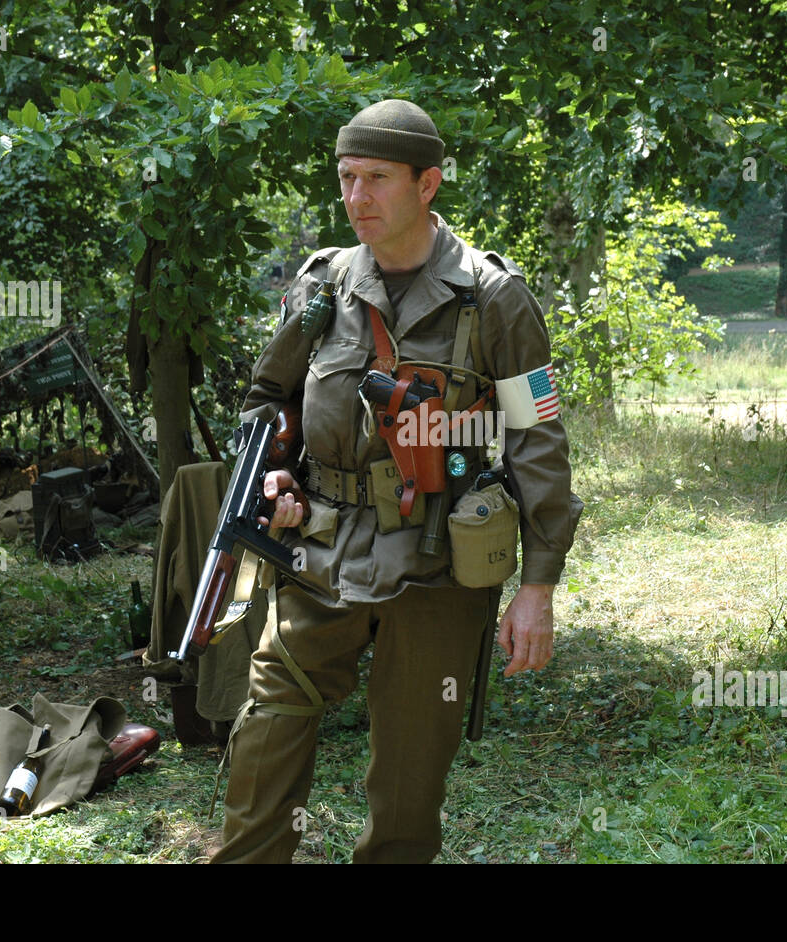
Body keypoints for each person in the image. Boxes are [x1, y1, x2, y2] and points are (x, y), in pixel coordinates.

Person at [209, 99, 583, 863]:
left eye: (377, 178)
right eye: (347, 178)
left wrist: (538, 585)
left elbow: (536, 437)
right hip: (320, 552)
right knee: (267, 729)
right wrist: (275, 474)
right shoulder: (321, 288)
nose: (357, 198)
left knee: (409, 784)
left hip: (437, 563)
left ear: (429, 183)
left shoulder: (495, 299)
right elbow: (264, 402)